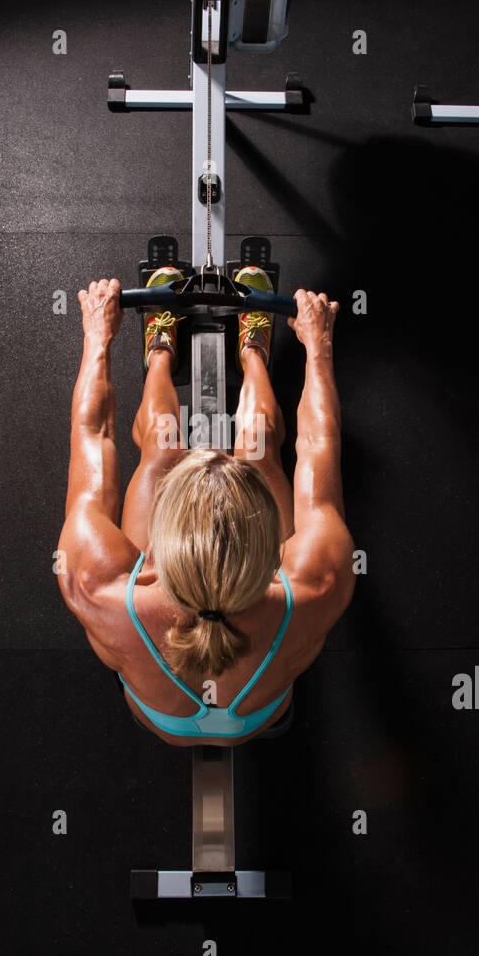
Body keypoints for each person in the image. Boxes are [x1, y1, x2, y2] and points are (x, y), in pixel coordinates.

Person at [57, 264, 356, 747]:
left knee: (160, 448)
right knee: (259, 451)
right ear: (271, 550)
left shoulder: (97, 586)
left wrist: (98, 336)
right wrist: (317, 346)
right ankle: (242, 350)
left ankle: (171, 349)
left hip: (162, 721)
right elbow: (320, 443)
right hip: (259, 715)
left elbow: (94, 434)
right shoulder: (316, 585)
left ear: (154, 550)